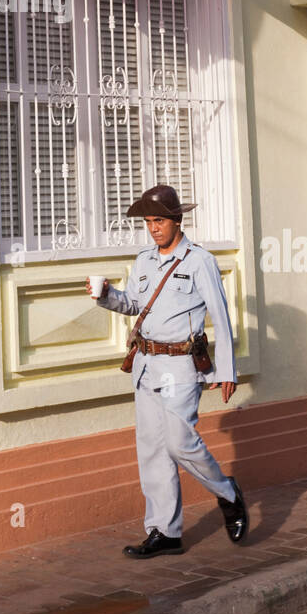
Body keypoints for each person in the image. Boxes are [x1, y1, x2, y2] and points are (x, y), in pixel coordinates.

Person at [87, 184, 248, 558]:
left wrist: (227, 371)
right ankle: (165, 531)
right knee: (153, 451)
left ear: (177, 220)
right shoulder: (143, 261)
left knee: (179, 442)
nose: (153, 228)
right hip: (145, 366)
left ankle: (228, 494)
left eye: (159, 220)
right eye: (148, 222)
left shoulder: (199, 261)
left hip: (181, 366)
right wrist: (107, 296)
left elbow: (221, 320)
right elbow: (133, 305)